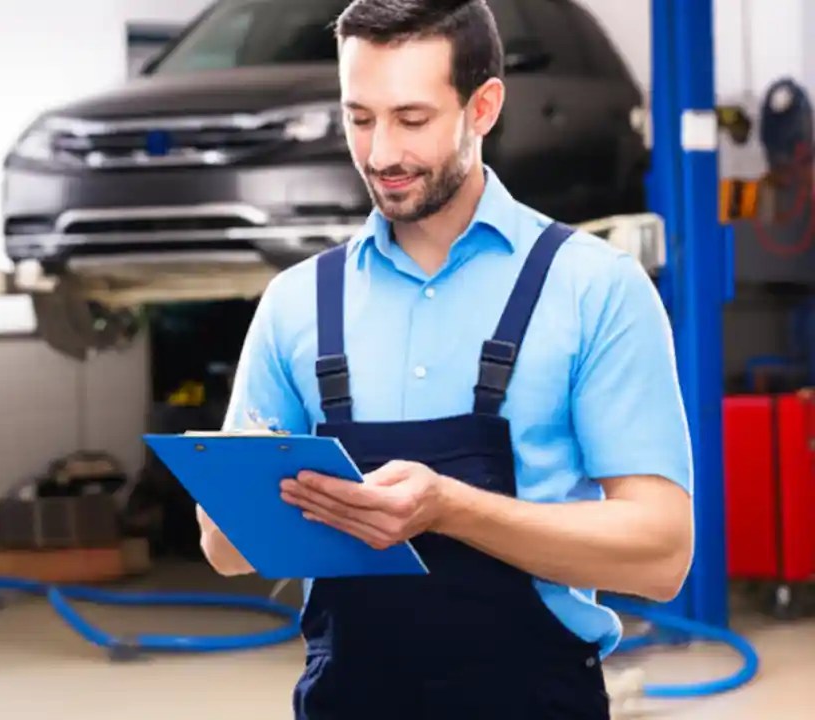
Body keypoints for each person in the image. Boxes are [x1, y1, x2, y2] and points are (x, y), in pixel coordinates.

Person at [195, 0, 694, 717]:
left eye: (412, 119)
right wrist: (239, 503)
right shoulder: (296, 304)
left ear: (483, 106)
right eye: (358, 118)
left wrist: (448, 507)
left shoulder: (595, 290)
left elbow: (662, 554)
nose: (381, 153)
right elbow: (225, 550)